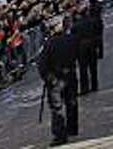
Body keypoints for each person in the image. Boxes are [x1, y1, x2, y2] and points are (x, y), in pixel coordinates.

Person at [37, 15, 78, 146]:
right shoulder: (72, 39)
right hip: (69, 75)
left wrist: (50, 79)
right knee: (71, 102)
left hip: (56, 78)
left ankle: (60, 135)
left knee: (57, 108)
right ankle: (72, 128)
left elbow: (42, 65)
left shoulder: (49, 43)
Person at [73, 5, 99, 95]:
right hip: (92, 44)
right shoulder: (93, 21)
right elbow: (98, 33)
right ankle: (95, 85)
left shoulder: (76, 25)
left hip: (81, 47)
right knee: (93, 67)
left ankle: (85, 88)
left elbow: (73, 38)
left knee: (83, 68)